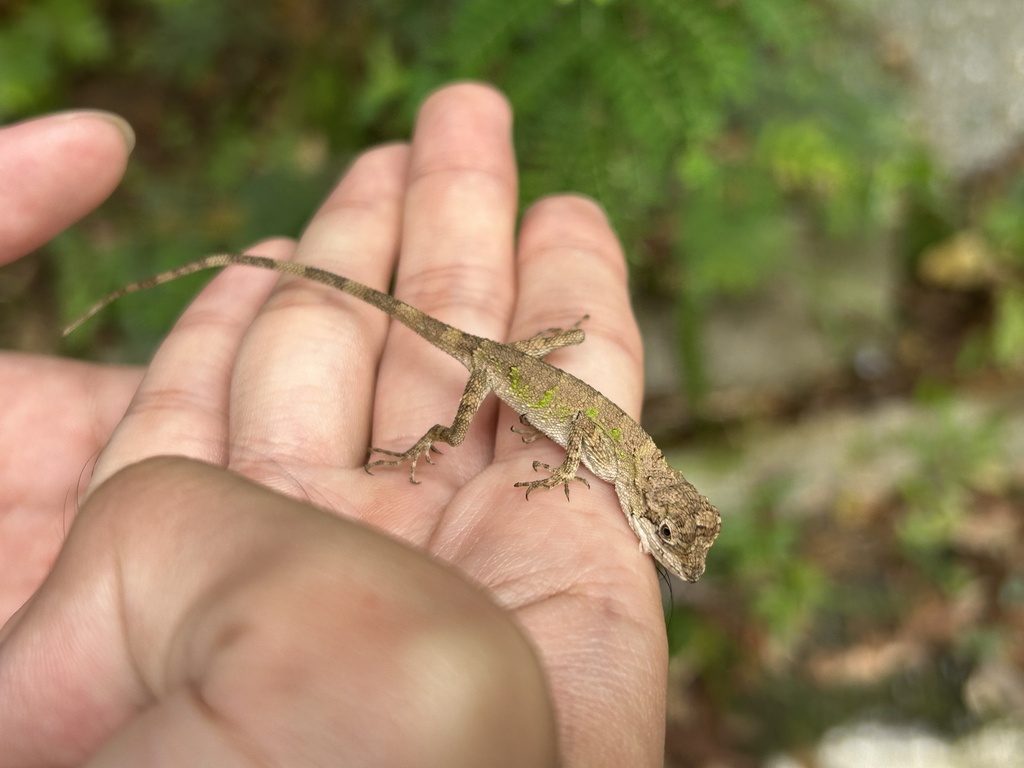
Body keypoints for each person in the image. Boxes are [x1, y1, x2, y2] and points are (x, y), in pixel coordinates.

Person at [0, 83, 669, 767]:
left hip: (521, 366)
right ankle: (418, 448)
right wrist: (562, 467)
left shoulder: (635, 465)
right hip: (497, 368)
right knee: (455, 434)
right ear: (654, 512)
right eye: (670, 537)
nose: (674, 557)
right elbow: (586, 437)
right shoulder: (617, 460)